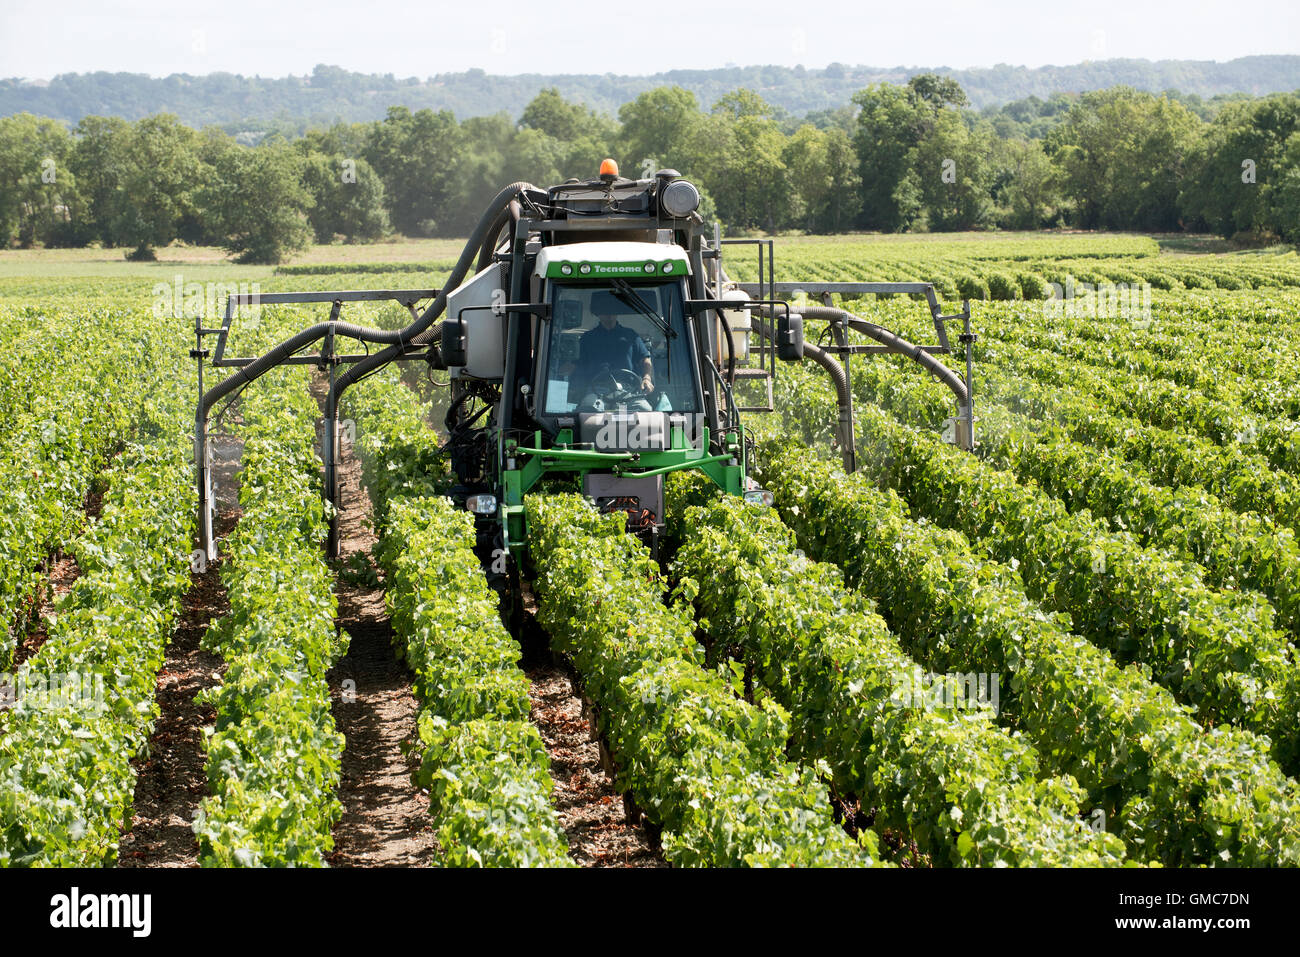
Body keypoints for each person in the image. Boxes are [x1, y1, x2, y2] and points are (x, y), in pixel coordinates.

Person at [570, 290, 654, 394]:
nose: (609, 313)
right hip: (596, 391)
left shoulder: (631, 335)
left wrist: (647, 378)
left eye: (612, 309)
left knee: (645, 409)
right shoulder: (588, 338)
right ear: (598, 314)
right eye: (604, 309)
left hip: (629, 390)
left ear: (617, 312)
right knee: (585, 408)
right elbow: (579, 364)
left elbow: (645, 359)